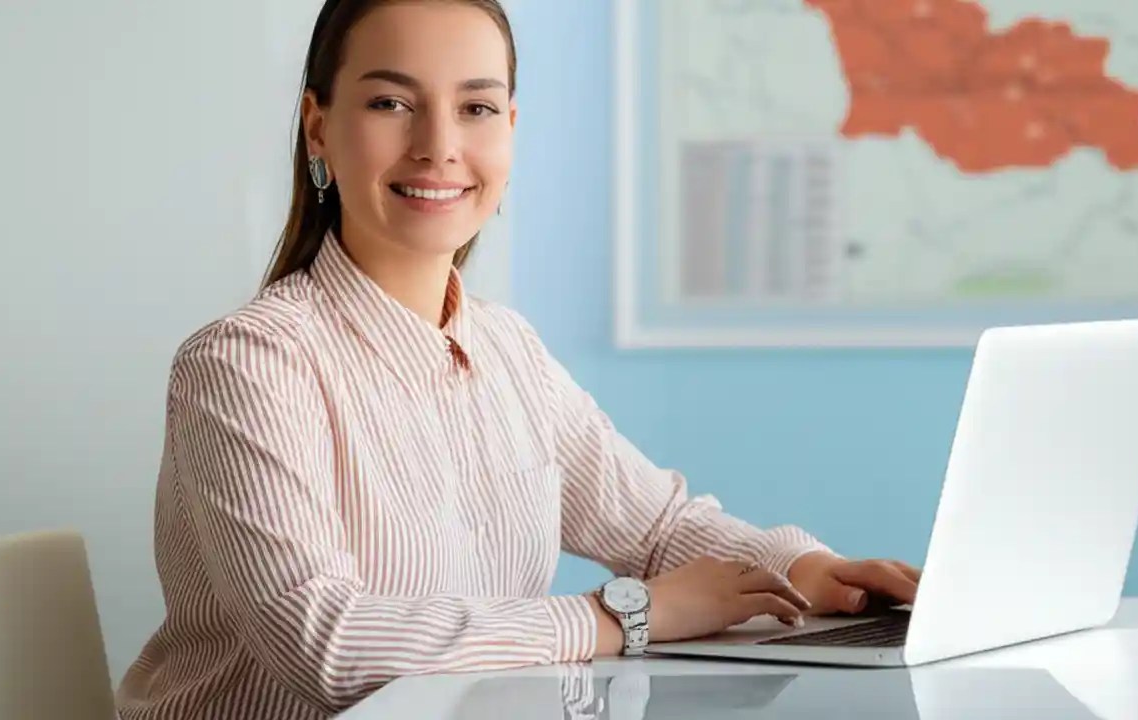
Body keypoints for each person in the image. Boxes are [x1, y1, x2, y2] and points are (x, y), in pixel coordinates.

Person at [115, 0, 921, 717]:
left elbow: (656, 524)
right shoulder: (246, 365)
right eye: (391, 102)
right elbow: (326, 644)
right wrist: (621, 617)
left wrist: (808, 569)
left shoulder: (507, 351)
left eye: (476, 108)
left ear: (510, 130)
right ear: (319, 124)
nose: (439, 146)